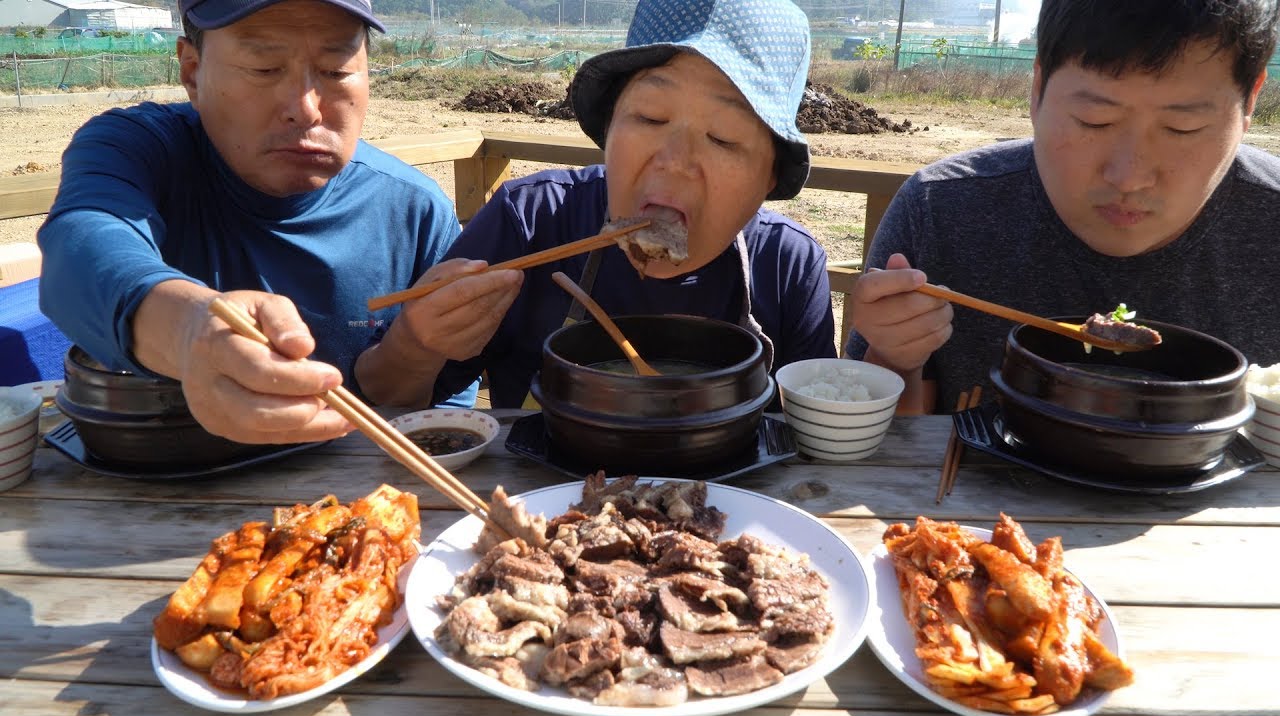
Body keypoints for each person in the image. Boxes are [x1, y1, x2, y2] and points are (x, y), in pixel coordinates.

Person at [37, 0, 487, 445]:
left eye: (335, 70)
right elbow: (82, 246)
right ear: (192, 72)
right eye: (265, 68)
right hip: (151, 484)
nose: (306, 109)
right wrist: (193, 328)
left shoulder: (414, 211)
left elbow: (446, 410)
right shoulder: (140, 151)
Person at [359, 0, 837, 409]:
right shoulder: (529, 222)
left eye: (724, 139)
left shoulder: (788, 267)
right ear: (608, 128)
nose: (674, 162)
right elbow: (387, 401)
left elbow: (816, 447)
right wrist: (413, 346)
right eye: (650, 117)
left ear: (771, 176)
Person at [844, 0, 1280, 414]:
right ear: (1037, 90)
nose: (1128, 176)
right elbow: (880, 453)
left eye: (1183, 127)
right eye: (1096, 120)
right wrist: (896, 361)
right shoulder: (940, 208)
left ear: (1250, 103)